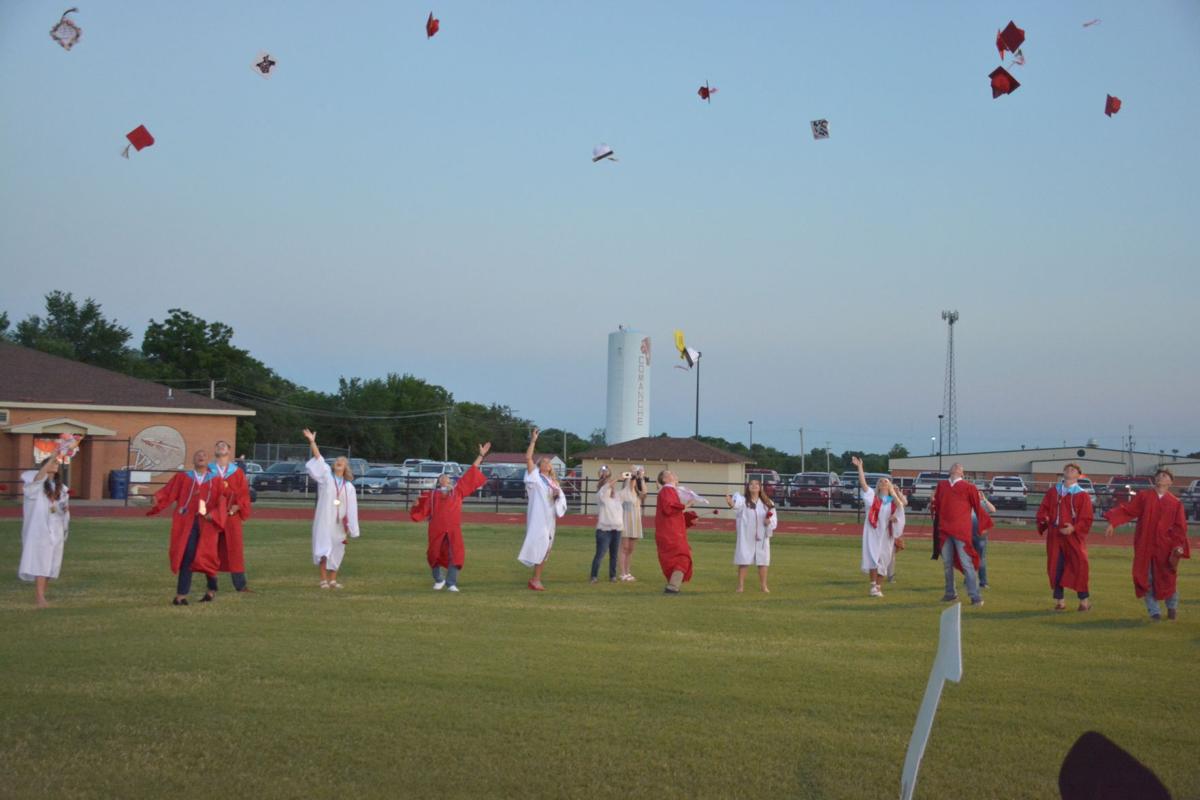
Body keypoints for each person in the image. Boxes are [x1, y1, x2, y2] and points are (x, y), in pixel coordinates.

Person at [1104, 467, 1190, 621]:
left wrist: (1178, 546)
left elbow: (1180, 527)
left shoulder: (1175, 503)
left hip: (1165, 547)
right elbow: (1128, 510)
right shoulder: (1144, 496)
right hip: (1145, 544)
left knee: (1168, 578)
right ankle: (1154, 612)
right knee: (1145, 578)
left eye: (1164, 476)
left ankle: (1172, 608)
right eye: (1158, 475)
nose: (1160, 477)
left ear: (1170, 482)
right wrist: (1113, 522)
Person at [410, 441, 491, 592]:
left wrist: (481, 455)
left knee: (456, 554)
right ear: (438, 481)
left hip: (453, 529)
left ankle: (451, 582)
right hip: (436, 528)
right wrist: (415, 504)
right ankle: (439, 579)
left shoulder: (457, 492)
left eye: (446, 476)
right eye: (441, 477)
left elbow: (471, 472)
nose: (444, 478)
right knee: (433, 554)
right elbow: (420, 509)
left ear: (451, 480)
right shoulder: (432, 495)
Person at [147, 449, 221, 605]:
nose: (201, 456)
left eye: (204, 455)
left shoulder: (216, 480)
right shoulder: (183, 478)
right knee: (187, 554)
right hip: (188, 522)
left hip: (207, 524)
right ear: (193, 461)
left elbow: (223, 501)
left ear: (209, 461)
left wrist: (214, 514)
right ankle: (181, 595)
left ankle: (211, 589)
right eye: (198, 455)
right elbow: (168, 492)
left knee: (207, 556)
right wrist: (157, 498)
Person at [303, 429, 361, 589]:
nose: (338, 462)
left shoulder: (349, 487)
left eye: (342, 461)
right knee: (324, 548)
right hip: (325, 520)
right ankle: (323, 580)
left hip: (339, 523)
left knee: (337, 548)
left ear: (345, 467)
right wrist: (312, 441)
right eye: (336, 461)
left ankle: (333, 580)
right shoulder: (326, 478)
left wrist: (351, 526)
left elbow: (352, 508)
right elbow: (318, 458)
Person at [1035, 463, 1094, 612]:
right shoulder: (1053, 492)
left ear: (1079, 475)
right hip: (1055, 535)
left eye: (1073, 469)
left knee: (1080, 565)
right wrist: (1045, 519)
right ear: (1063, 473)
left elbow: (1086, 518)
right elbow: (1043, 510)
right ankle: (1060, 602)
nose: (1069, 470)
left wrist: (1074, 528)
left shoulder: (1082, 495)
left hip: (1073, 536)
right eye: (1067, 469)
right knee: (1056, 567)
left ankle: (1084, 602)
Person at [931, 462, 991, 607]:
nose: (955, 467)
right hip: (944, 530)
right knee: (947, 564)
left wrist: (983, 525)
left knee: (966, 563)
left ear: (962, 473)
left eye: (959, 467)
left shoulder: (969, 487)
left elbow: (977, 507)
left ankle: (975, 596)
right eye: (954, 466)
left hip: (961, 532)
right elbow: (938, 506)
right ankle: (950, 593)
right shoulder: (942, 486)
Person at [517, 428, 567, 590]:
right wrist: (533, 441)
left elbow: (561, 501)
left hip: (549, 520)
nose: (547, 463)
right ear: (540, 466)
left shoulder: (554, 483)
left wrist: (557, 498)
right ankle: (536, 579)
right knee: (540, 545)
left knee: (546, 549)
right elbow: (528, 457)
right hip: (538, 519)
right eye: (544, 461)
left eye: (549, 462)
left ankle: (536, 579)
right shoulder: (536, 477)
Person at [18, 457, 70, 608]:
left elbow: (61, 507)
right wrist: (54, 455)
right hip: (39, 529)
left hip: (56, 528)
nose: (55, 465)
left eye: (57, 463)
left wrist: (64, 510)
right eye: (53, 462)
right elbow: (38, 479)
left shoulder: (60, 488)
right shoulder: (34, 484)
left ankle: (42, 595)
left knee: (51, 563)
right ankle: (39, 597)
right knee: (41, 561)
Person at [852, 456, 906, 598]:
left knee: (884, 560)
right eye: (881, 481)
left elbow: (901, 512)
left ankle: (878, 586)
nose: (883, 482)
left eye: (886, 481)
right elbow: (863, 484)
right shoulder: (872, 498)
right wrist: (860, 467)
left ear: (889, 486)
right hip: (873, 532)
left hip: (886, 534)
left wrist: (895, 518)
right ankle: (873, 587)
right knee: (873, 558)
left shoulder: (893, 501)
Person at [209, 439, 253, 594]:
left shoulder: (237, 472)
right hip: (212, 516)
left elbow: (244, 494)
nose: (221, 446)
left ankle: (240, 586)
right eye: (218, 445)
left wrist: (238, 506)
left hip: (231, 515)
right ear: (215, 450)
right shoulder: (208, 471)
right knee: (209, 549)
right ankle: (211, 586)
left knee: (235, 549)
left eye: (224, 445)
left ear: (229, 450)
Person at [726, 478, 777, 593]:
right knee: (744, 560)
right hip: (746, 535)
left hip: (762, 536)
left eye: (756, 484)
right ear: (748, 487)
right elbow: (736, 507)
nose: (754, 486)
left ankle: (764, 586)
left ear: (760, 487)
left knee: (763, 561)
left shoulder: (767, 503)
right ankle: (740, 586)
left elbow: (773, 519)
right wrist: (731, 503)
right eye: (751, 484)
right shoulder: (743, 501)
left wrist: (769, 522)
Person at [655, 470, 695, 594]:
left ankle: (673, 585)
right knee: (682, 557)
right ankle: (672, 586)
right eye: (669, 473)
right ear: (665, 479)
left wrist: (688, 515)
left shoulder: (670, 491)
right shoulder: (667, 490)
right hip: (671, 533)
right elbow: (669, 508)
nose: (673, 474)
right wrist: (685, 506)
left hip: (670, 531)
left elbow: (672, 513)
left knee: (678, 558)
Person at [590, 466, 625, 583]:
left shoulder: (617, 498)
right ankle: (594, 576)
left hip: (617, 529)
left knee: (614, 555)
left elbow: (628, 491)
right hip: (604, 530)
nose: (611, 486)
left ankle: (613, 576)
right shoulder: (601, 497)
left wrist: (635, 477)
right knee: (600, 554)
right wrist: (617, 478)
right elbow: (605, 488)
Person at [618, 466, 648, 581]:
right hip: (625, 520)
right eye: (632, 479)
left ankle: (628, 571)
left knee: (630, 548)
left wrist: (641, 478)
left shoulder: (637, 494)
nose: (633, 481)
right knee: (624, 547)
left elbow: (644, 491)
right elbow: (627, 479)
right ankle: (622, 573)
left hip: (635, 521)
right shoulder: (624, 492)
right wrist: (632, 474)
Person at [972, 494, 999, 589]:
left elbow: (993, 510)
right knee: (975, 559)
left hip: (978, 535)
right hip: (973, 534)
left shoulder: (980, 504)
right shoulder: (971, 503)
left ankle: (979, 581)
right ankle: (976, 581)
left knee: (977, 559)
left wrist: (985, 500)